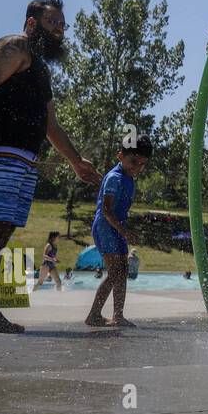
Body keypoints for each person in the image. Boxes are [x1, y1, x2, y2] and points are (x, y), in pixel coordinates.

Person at [0, 0, 101, 333]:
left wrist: (76, 161)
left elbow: (51, 125)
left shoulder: (40, 69)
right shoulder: (16, 47)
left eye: (63, 26)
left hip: (22, 158)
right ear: (32, 22)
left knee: (3, 229)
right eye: (53, 22)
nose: (60, 30)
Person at [85, 138, 152, 327]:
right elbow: (106, 210)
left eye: (142, 165)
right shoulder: (114, 177)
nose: (137, 168)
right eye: (133, 162)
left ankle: (118, 315)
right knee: (115, 272)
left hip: (117, 227)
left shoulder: (129, 178)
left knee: (122, 271)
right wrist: (124, 231)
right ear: (120, 156)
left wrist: (124, 230)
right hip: (106, 227)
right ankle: (94, 315)